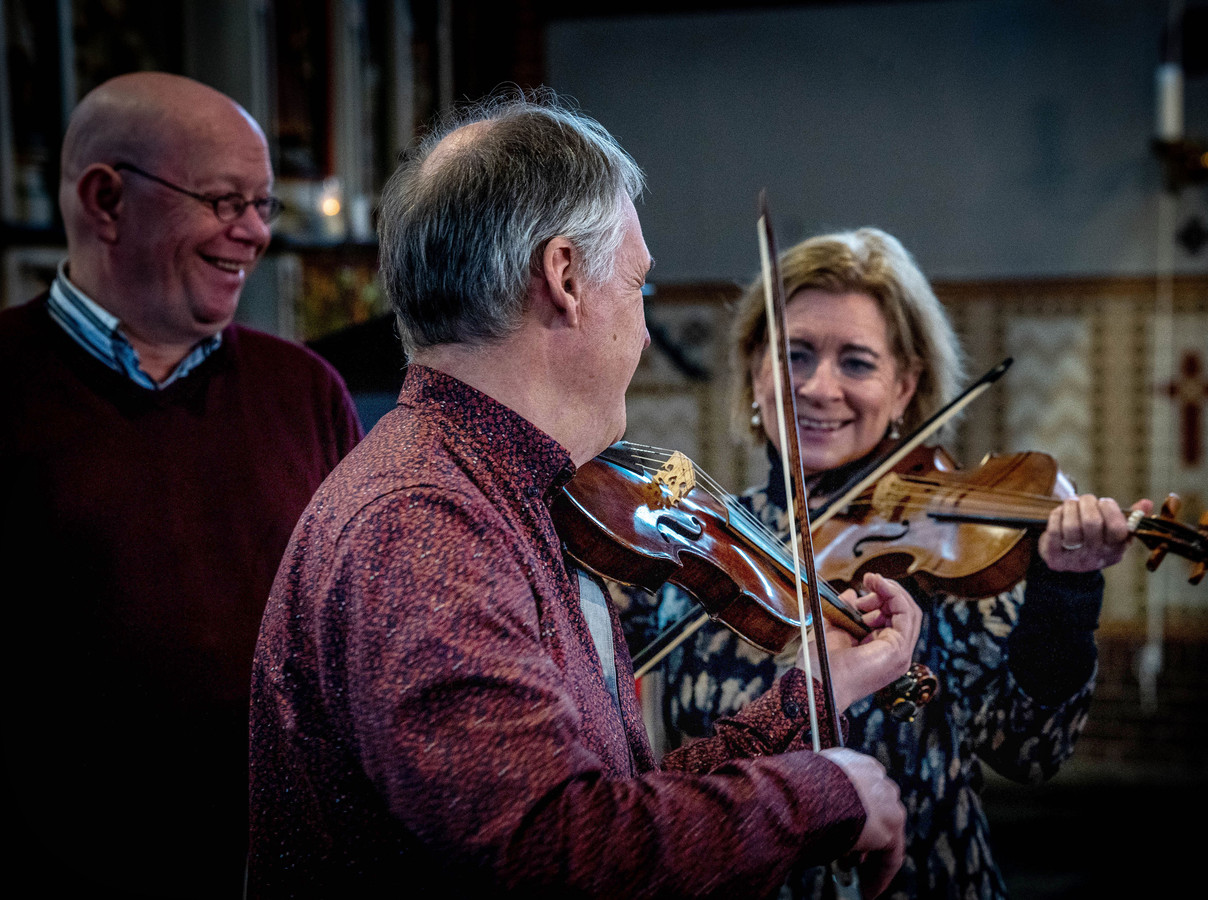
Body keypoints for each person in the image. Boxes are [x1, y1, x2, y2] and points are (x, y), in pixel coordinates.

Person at [247, 94, 926, 899]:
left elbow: (610, 803)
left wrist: (811, 698)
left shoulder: (495, 489)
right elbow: (553, 851)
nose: (643, 331)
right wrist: (820, 793)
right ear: (565, 277)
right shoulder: (425, 519)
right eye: (638, 285)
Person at [636, 228, 1150, 899]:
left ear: (905, 386)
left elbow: (1032, 749)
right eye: (794, 355)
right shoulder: (695, 538)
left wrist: (1066, 590)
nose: (818, 387)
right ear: (755, 369)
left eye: (856, 363)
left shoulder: (945, 547)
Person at [0, 72, 363, 896]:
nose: (255, 233)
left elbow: (353, 630)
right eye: (225, 201)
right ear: (106, 200)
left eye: (263, 205)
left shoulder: (305, 392)